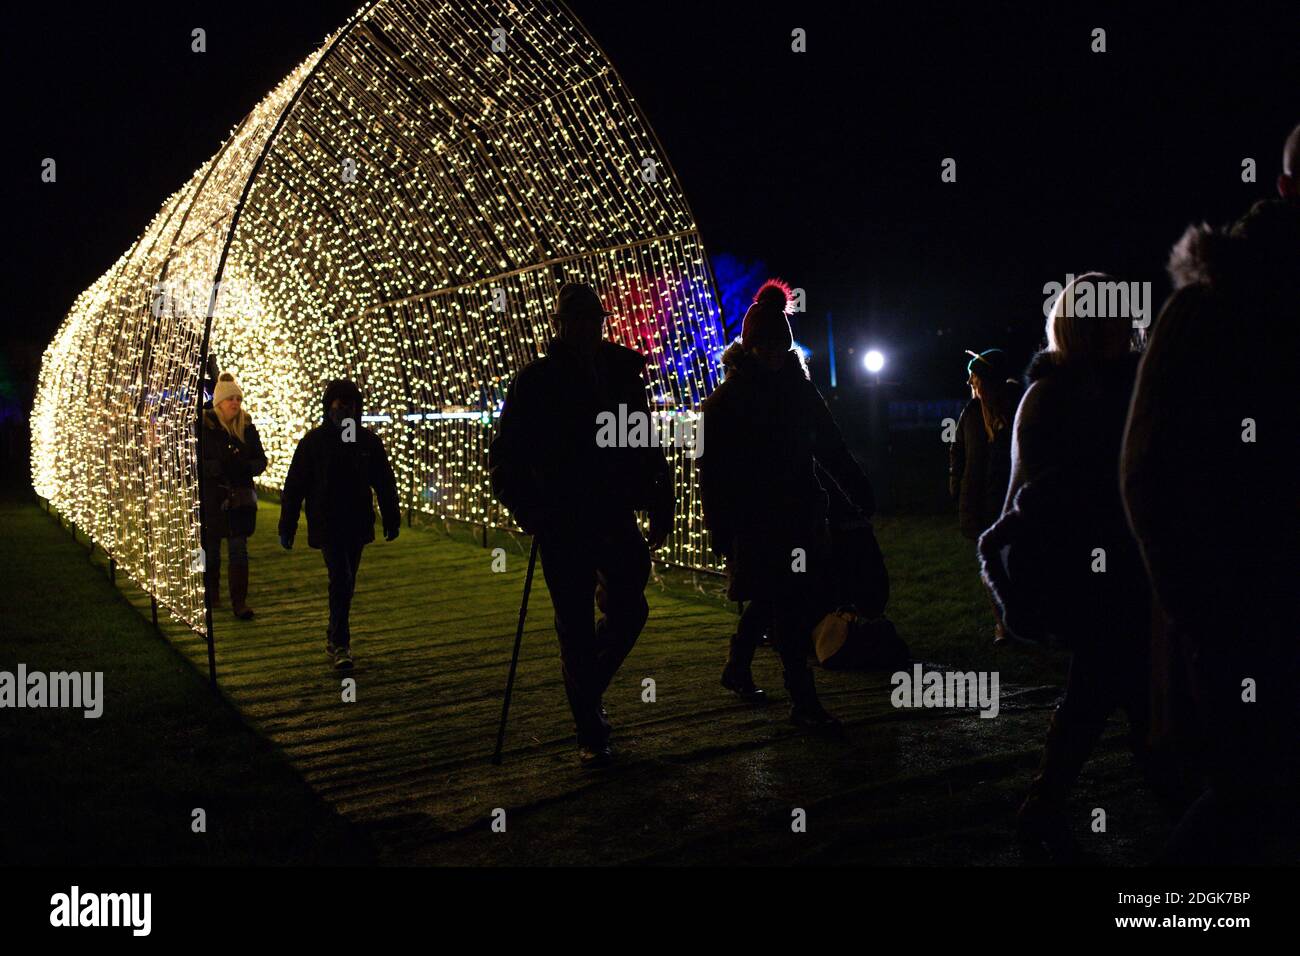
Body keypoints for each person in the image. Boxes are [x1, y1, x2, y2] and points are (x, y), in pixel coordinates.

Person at [1121, 198, 1300, 863]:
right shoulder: (1216, 311)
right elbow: (1149, 476)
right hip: (1253, 616)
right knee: (1253, 798)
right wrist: (1206, 618)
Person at [978, 273, 1170, 859]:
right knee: (1115, 680)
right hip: (1094, 569)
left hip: (1116, 566)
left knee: (1113, 682)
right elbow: (1041, 493)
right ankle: (1172, 801)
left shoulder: (1112, 390)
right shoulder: (1066, 396)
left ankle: (1051, 805)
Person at [488, 282, 674, 767]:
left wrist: (660, 499)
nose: (587, 330)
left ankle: (588, 689)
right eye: (577, 321)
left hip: (612, 511)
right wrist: (531, 511)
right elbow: (506, 458)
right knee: (573, 622)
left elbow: (644, 441)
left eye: (594, 320)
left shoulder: (621, 376)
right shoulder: (537, 384)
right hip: (563, 519)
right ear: (562, 327)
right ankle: (590, 726)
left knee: (629, 609)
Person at [699, 279, 875, 731]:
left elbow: (830, 445)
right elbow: (713, 473)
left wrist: (855, 486)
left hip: (798, 513)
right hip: (756, 518)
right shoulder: (728, 403)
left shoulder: (799, 391)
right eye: (765, 346)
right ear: (750, 347)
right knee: (787, 603)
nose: (774, 354)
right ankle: (802, 701)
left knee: (780, 597)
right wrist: (720, 527)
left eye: (780, 345)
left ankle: (739, 667)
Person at [278, 379, 400, 670]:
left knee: (346, 581)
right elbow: (295, 485)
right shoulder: (315, 443)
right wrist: (287, 525)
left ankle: (334, 635)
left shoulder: (367, 442)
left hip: (356, 522)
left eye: (349, 403)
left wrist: (391, 518)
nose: (343, 408)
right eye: (338, 402)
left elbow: (384, 483)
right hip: (327, 523)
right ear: (328, 405)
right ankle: (341, 644)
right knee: (342, 578)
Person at [949, 349, 1021, 643]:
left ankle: (1021, 617)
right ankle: (1003, 624)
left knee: (1015, 562)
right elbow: (958, 450)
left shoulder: (1014, 409)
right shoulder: (971, 413)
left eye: (974, 377)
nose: (970, 382)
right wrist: (956, 482)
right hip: (979, 501)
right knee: (989, 564)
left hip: (1008, 499)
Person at [199, 372, 267, 620]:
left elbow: (261, 460)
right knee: (210, 549)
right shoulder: (205, 427)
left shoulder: (247, 428)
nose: (236, 403)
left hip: (240, 498)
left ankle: (240, 602)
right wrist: (216, 468)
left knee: (239, 549)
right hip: (213, 498)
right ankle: (211, 592)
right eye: (231, 399)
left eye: (238, 399)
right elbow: (194, 461)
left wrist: (244, 467)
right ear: (219, 403)